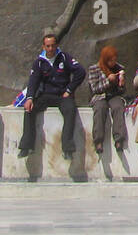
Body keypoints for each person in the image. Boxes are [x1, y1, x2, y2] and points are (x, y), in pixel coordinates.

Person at [18, 31, 86, 160]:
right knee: (29, 109)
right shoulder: (39, 62)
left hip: (62, 96)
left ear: (57, 45)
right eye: (48, 46)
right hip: (46, 95)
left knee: (70, 110)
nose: (50, 49)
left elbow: (80, 72)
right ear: (43, 47)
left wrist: (69, 90)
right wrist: (30, 98)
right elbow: (33, 81)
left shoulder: (64, 57)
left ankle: (67, 149)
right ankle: (26, 147)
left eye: (53, 46)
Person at [88, 44, 128, 155]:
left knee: (118, 107)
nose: (113, 63)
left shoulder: (119, 68)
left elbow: (122, 91)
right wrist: (108, 81)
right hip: (100, 96)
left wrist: (121, 83)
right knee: (100, 109)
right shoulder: (94, 69)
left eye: (114, 60)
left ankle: (119, 139)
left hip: (114, 95)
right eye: (110, 60)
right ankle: (98, 141)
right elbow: (94, 88)